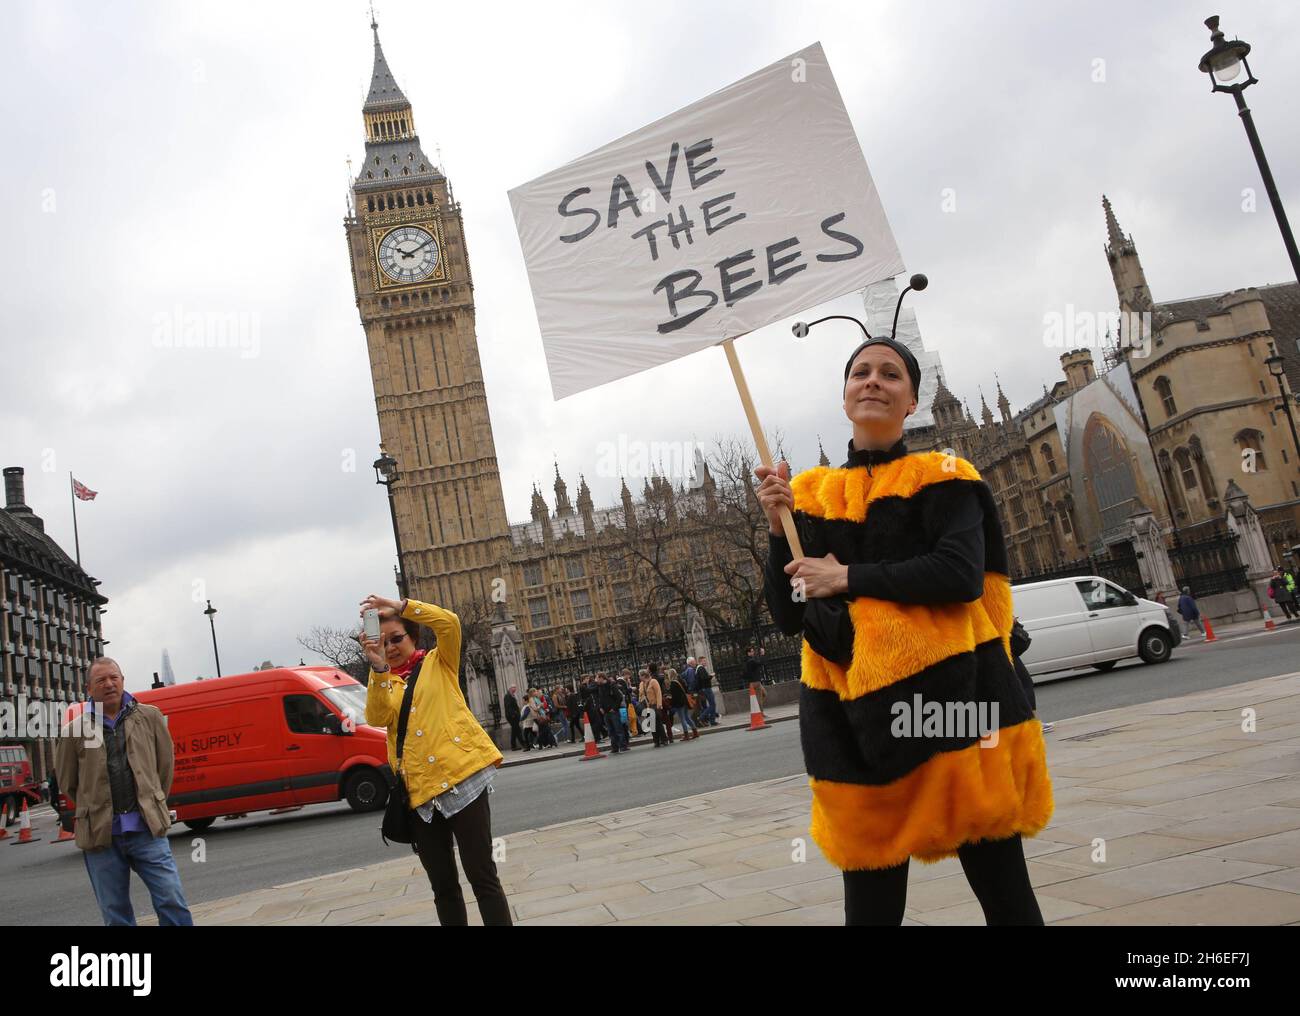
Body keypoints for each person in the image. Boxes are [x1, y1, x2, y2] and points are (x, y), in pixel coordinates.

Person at [756, 332, 1051, 926]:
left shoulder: (945, 475)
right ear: (844, 396)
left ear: (912, 401)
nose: (872, 381)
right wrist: (774, 531)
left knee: (1009, 904)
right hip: (857, 730)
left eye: (890, 374)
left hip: (958, 714)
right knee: (871, 917)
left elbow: (960, 574)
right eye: (860, 372)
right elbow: (790, 613)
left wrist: (848, 578)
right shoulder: (812, 496)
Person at [360, 593, 511, 926]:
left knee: (482, 877)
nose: (390, 647)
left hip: (463, 782)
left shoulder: (439, 662)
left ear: (413, 636)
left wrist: (400, 605)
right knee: (443, 887)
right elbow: (375, 715)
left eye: (397, 638)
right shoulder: (385, 680)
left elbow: (449, 622)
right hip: (420, 796)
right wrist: (378, 669)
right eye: (383, 642)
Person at [55, 657, 194, 926]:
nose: (109, 684)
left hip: (147, 829)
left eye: (113, 678)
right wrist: (94, 806)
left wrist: (152, 802)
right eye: (101, 680)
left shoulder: (150, 717)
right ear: (89, 688)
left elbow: (164, 767)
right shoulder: (76, 731)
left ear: (122, 681)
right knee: (114, 911)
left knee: (171, 898)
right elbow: (68, 781)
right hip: (101, 835)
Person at [667, 668, 698, 741]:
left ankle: (686, 735)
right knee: (687, 717)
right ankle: (695, 732)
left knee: (682, 719)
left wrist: (671, 701)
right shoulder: (681, 680)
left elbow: (674, 696)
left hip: (679, 703)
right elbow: (686, 690)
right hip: (685, 701)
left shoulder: (673, 683)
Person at [638, 668, 665, 746]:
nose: (639, 677)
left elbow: (658, 693)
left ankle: (663, 739)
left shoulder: (653, 681)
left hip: (654, 705)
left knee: (658, 723)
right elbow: (640, 695)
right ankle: (656, 741)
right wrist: (640, 702)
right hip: (646, 707)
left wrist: (659, 704)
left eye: (640, 676)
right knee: (651, 724)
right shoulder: (641, 684)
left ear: (644, 675)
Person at [695, 657, 719, 726]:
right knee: (712, 704)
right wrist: (711, 676)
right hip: (706, 688)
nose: (705, 662)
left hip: (704, 688)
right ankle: (702, 717)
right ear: (700, 662)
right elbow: (704, 679)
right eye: (704, 661)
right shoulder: (701, 668)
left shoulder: (699, 669)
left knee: (712, 704)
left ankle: (712, 720)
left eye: (705, 661)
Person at [504, 686, 524, 750]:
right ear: (510, 689)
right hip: (512, 716)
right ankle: (523, 744)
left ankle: (514, 746)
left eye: (515, 687)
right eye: (513, 687)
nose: (515, 688)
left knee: (515, 730)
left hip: (515, 716)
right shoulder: (507, 696)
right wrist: (513, 714)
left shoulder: (512, 695)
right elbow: (508, 706)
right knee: (517, 730)